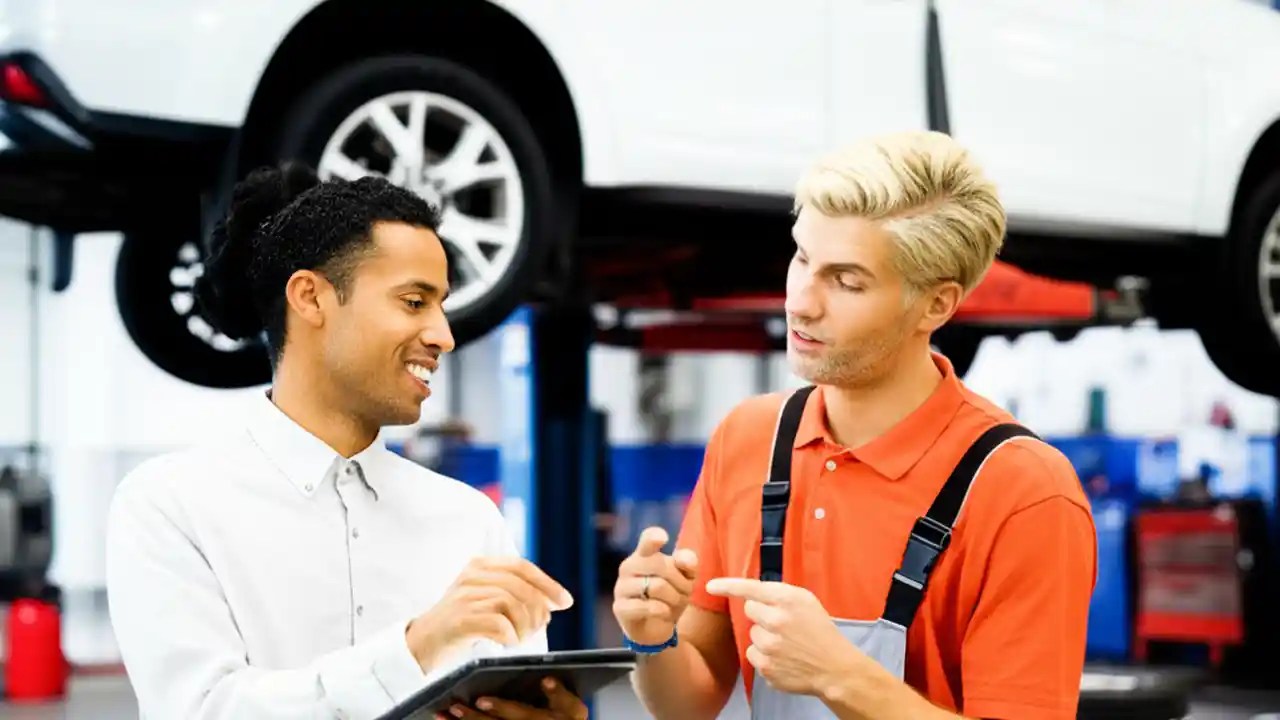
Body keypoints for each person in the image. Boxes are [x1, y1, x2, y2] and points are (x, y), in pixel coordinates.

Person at [612, 130, 1097, 719]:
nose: (801, 302)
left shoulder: (1026, 493)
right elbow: (688, 704)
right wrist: (651, 636)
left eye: (846, 281)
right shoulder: (749, 440)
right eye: (801, 258)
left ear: (936, 304)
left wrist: (841, 675)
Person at [105, 163, 588, 720]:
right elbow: (203, 710)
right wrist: (414, 647)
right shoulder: (171, 505)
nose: (443, 336)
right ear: (310, 297)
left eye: (442, 306)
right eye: (414, 302)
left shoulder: (470, 520)